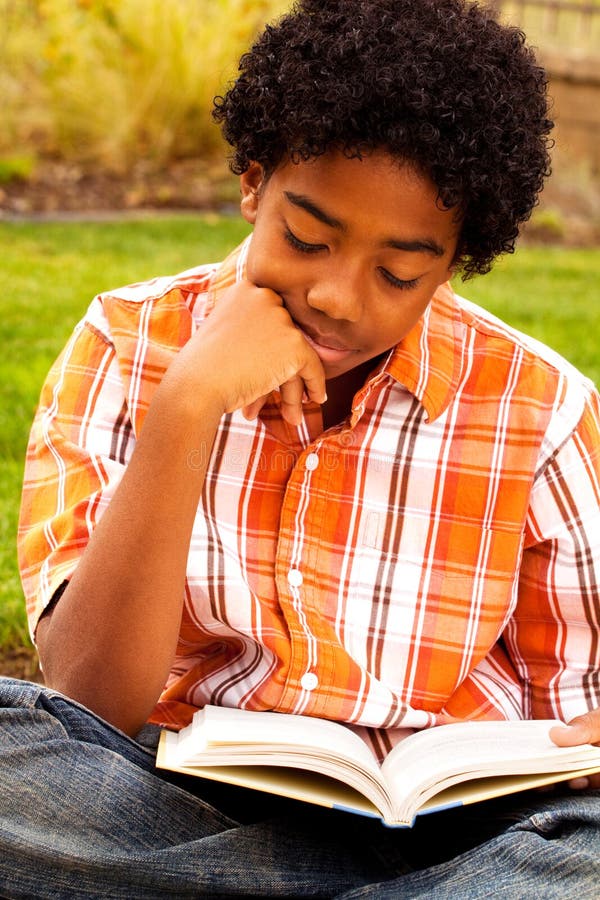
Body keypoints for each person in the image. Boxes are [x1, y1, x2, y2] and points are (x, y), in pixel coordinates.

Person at [4, 0, 600, 895]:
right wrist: (190, 403)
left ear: (454, 262)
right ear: (254, 183)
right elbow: (91, 697)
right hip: (168, 800)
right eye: (306, 237)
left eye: (399, 273)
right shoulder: (129, 343)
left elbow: (575, 728)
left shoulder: (540, 406)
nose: (337, 297)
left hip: (450, 833)